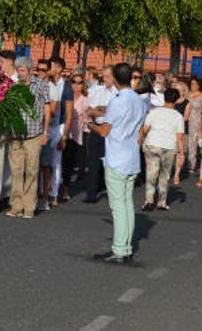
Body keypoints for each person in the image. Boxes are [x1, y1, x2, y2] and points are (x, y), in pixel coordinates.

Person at [88, 63, 147, 264]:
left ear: (114, 77)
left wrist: (90, 125)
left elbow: (105, 130)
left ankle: (120, 250)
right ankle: (125, 247)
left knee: (118, 206)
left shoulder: (118, 100)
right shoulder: (139, 101)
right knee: (127, 203)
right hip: (131, 155)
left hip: (117, 156)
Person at [4, 55, 51, 219]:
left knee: (31, 171)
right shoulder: (14, 86)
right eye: (18, 70)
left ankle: (29, 207)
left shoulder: (41, 86)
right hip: (15, 135)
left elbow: (46, 109)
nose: (20, 73)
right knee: (16, 171)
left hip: (34, 134)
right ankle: (16, 205)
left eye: (22, 70)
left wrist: (46, 132)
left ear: (31, 70)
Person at [138, 88, 185, 211]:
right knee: (165, 175)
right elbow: (180, 137)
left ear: (164, 97)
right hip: (169, 146)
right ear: (177, 100)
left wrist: (141, 140)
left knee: (151, 173)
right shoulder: (178, 116)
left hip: (152, 143)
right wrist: (182, 153)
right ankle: (162, 202)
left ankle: (148, 201)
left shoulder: (154, 112)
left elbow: (145, 129)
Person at [40, 56, 73, 208]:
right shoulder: (44, 83)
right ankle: (42, 191)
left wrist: (65, 135)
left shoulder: (65, 85)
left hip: (57, 126)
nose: (49, 69)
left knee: (55, 162)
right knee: (43, 162)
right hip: (44, 126)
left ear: (59, 69)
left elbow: (69, 112)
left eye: (51, 67)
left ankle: (54, 194)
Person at [84, 65, 117, 203]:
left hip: (112, 130)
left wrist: (101, 109)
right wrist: (105, 111)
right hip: (97, 128)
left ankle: (111, 190)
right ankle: (91, 192)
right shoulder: (98, 91)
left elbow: (117, 114)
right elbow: (90, 111)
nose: (104, 78)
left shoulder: (118, 93)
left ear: (115, 77)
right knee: (93, 162)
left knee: (110, 163)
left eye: (107, 76)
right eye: (103, 75)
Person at [64, 73, 89, 200]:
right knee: (63, 162)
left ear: (83, 84)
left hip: (78, 132)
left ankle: (66, 189)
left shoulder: (86, 99)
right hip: (65, 131)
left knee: (70, 162)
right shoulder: (66, 95)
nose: (77, 85)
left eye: (80, 82)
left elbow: (90, 115)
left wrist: (86, 119)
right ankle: (61, 188)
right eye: (74, 81)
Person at [170, 81, 190, 184]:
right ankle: (168, 171)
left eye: (180, 90)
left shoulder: (187, 102)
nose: (178, 91)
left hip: (181, 130)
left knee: (179, 152)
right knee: (170, 152)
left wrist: (174, 119)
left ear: (184, 91)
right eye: (176, 89)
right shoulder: (171, 101)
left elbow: (185, 118)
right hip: (170, 130)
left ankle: (177, 174)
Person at [185, 77, 202, 175]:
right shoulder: (187, 94)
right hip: (186, 119)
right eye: (192, 83)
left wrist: (201, 124)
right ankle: (186, 162)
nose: (193, 86)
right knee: (186, 141)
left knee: (193, 143)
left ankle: (192, 164)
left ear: (199, 85)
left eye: (195, 84)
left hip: (196, 120)